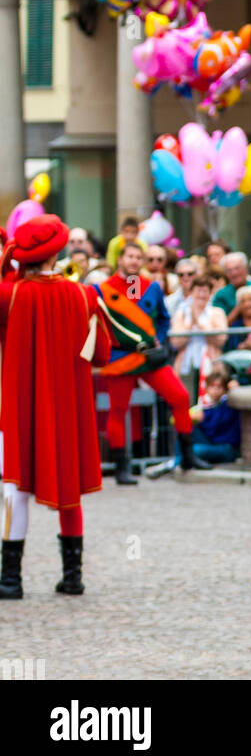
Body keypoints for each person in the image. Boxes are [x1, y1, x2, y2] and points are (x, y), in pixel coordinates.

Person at [0, 215, 113, 599]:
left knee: (14, 489)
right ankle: (73, 577)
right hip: (68, 404)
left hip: (19, 403)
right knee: (69, 489)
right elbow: (101, 354)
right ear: (57, 253)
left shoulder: (10, 295)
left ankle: (10, 580)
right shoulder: (85, 296)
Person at [95, 241, 207, 482]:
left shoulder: (152, 289)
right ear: (121, 259)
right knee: (118, 411)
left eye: (138, 257)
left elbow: (164, 319)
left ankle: (187, 456)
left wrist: (160, 338)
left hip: (149, 357)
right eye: (130, 256)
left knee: (180, 397)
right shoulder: (101, 290)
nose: (134, 261)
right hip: (120, 357)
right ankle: (122, 467)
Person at [169, 274, 228, 401]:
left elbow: (221, 340)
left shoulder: (217, 313)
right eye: (198, 290)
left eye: (205, 291)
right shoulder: (182, 314)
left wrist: (201, 326)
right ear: (192, 292)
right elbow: (175, 342)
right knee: (185, 399)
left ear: (210, 293)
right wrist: (191, 324)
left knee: (210, 401)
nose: (201, 294)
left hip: (211, 363)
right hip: (186, 364)